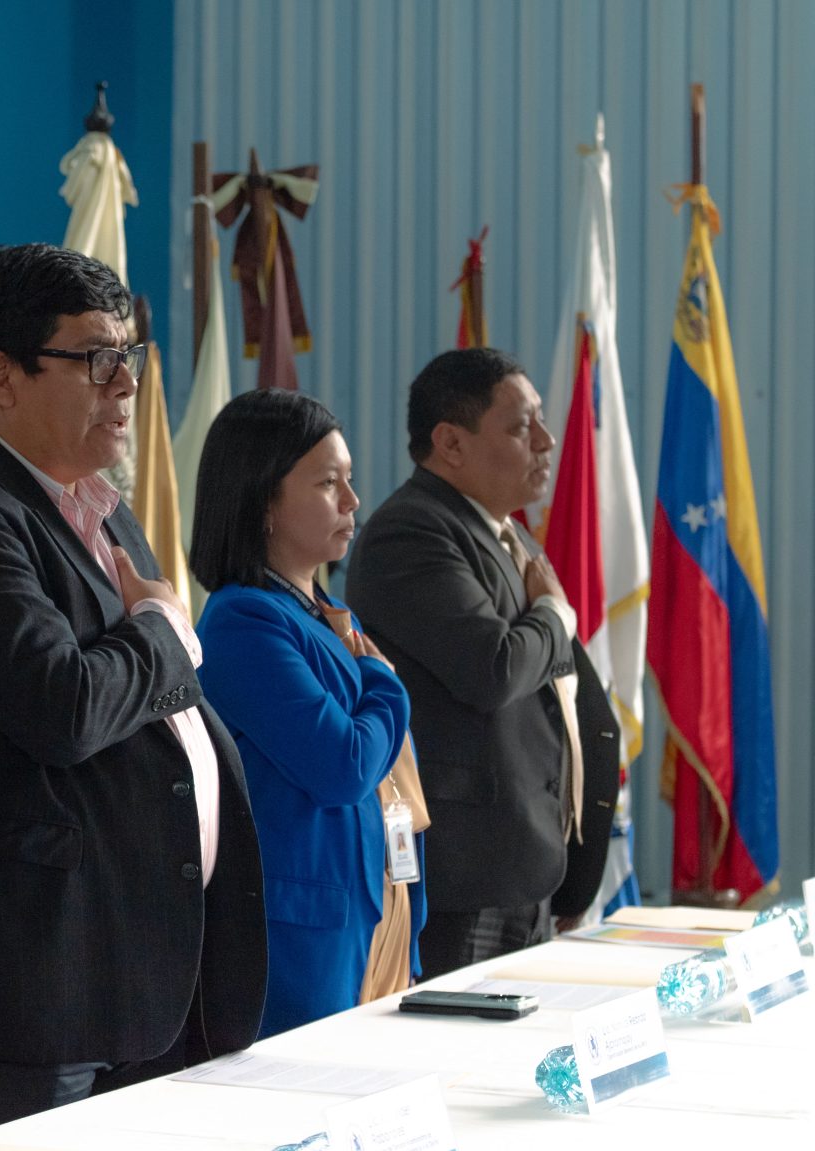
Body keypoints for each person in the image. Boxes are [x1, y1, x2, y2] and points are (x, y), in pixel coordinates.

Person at [0, 243, 266, 1141]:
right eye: (95, 357)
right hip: (39, 985)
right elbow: (66, 707)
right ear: (0, 375)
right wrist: (164, 629)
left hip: (151, 969)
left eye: (128, 354)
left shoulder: (102, 505)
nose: (125, 382)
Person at [347, 347, 619, 978]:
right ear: (450, 443)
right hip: (468, 873)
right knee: (458, 1064)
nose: (547, 442)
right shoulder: (412, 532)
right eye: (523, 427)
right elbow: (494, 668)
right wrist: (554, 615)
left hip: (528, 863)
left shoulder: (508, 534)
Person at [190, 389, 423, 1037]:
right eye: (327, 482)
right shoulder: (244, 618)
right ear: (263, 499)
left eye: (349, 480)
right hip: (301, 936)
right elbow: (343, 764)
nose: (352, 501)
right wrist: (386, 683)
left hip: (372, 912)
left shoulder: (323, 613)